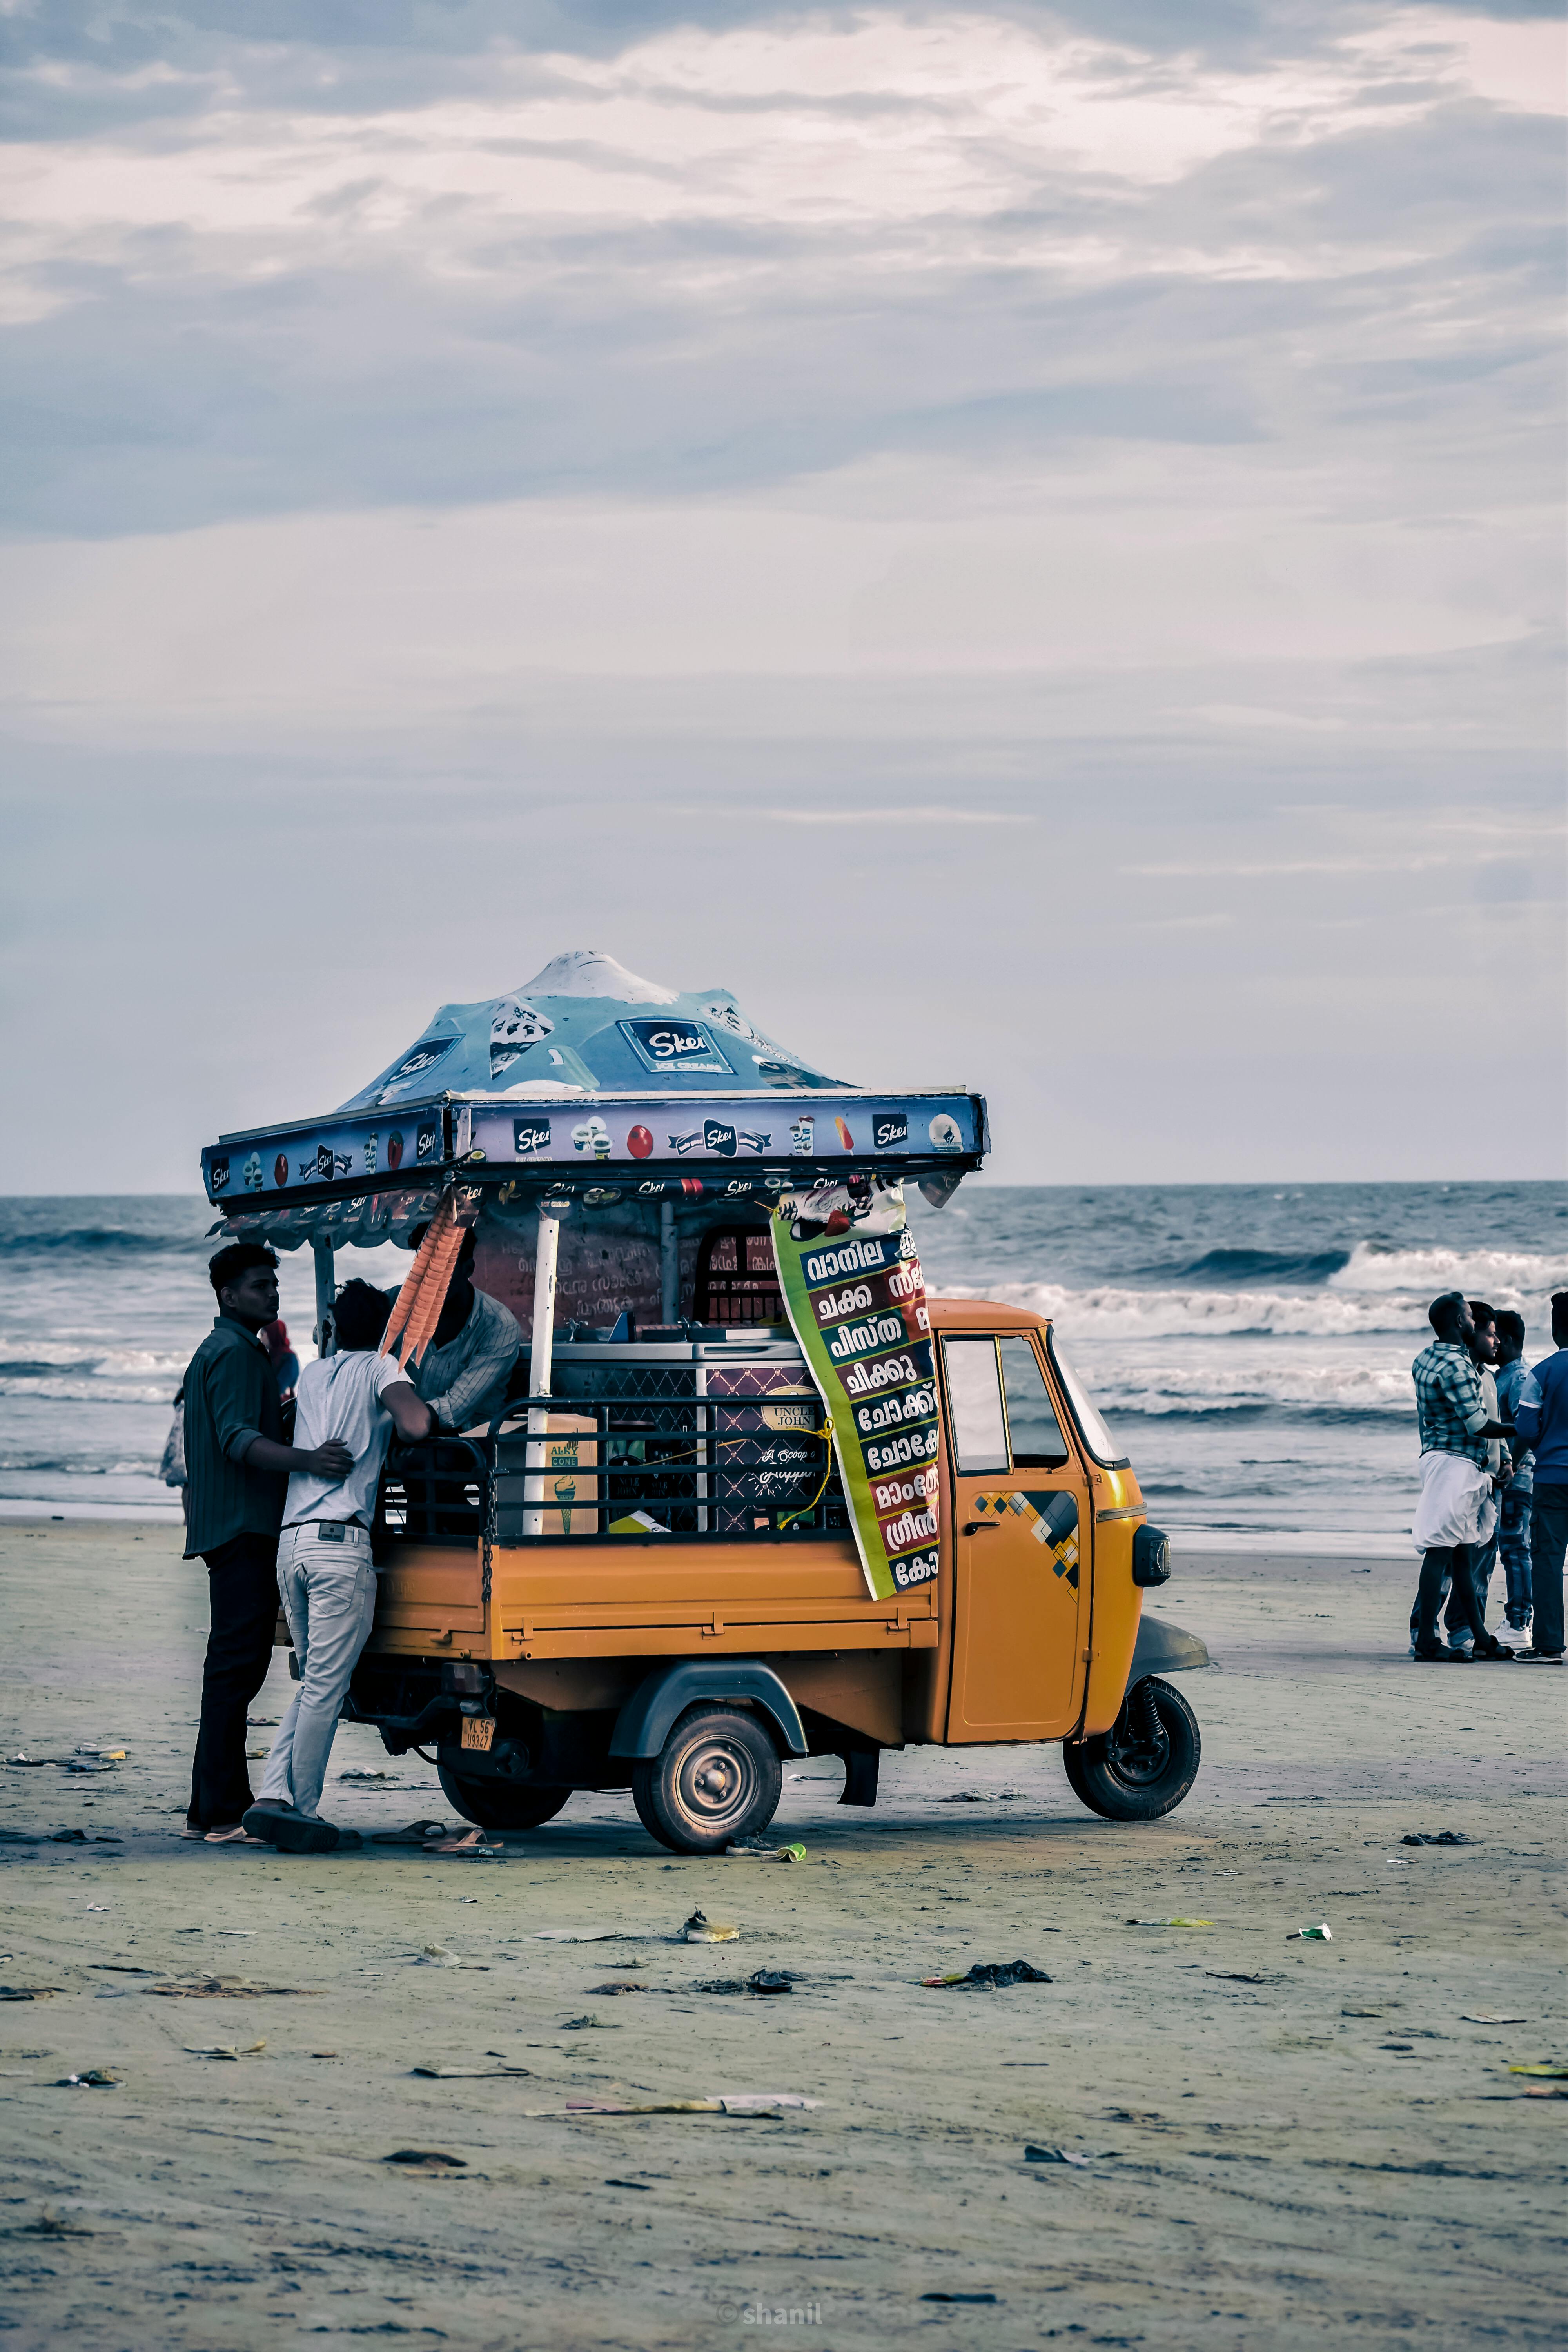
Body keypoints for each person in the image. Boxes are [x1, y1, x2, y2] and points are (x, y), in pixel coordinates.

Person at [244, 1280, 433, 1853]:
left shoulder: (315, 1374)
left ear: (333, 1329)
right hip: (338, 1547)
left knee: (312, 1685)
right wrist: (405, 1403)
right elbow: (417, 1425)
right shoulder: (380, 1367)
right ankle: (302, 1809)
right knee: (326, 1686)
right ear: (383, 1329)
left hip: (292, 1543)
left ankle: (274, 1796)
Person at [182, 1243, 354, 1844]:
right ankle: (223, 1812)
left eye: (274, 1287)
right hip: (242, 1527)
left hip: (233, 1526)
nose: (272, 1296)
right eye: (260, 1287)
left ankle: (209, 1809)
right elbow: (237, 1440)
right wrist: (310, 1458)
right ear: (229, 1295)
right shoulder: (231, 1352)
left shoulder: (236, 1350)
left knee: (232, 1672)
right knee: (235, 1672)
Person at [1408, 1291, 1515, 1662]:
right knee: (1442, 1552)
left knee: (1463, 1557)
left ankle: (1480, 1636)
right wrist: (1527, 1429)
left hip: (1444, 1460)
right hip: (1455, 1464)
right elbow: (1478, 1424)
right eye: (1470, 1317)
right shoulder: (1457, 1366)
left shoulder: (1425, 1358)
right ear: (1459, 1323)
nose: (1474, 1321)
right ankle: (1425, 1641)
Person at [401, 1223, 521, 1432]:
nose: (429, 1280)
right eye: (422, 1268)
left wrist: (406, 1424)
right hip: (402, 1436)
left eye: (441, 1270)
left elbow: (455, 1409)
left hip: (468, 1446)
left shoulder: (499, 1325)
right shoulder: (395, 1305)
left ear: (468, 1270)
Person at [1514, 1290, 1568, 1664]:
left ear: (1556, 1329)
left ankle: (1549, 1645)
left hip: (1552, 1478)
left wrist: (1513, 1463)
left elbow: (1527, 1429)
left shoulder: (1542, 1372)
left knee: (1548, 1560)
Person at [1494, 1310, 1534, 1633]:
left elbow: (1526, 1428)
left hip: (1518, 1475)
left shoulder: (1519, 1377)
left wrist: (1512, 1464)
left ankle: (1519, 1622)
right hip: (1510, 1472)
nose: (1491, 1342)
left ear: (1506, 1340)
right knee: (1510, 1548)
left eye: (1495, 1336)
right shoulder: (1503, 1375)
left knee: (1516, 1548)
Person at [160, 1385, 189, 1530]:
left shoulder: (180, 1408)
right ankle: (190, 1518)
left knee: (187, 1486)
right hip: (186, 1449)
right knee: (191, 1485)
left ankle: (187, 1517)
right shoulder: (188, 1409)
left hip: (177, 1450)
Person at [262, 1317, 300, 1409]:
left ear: (272, 1334)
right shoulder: (268, 1357)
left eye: (263, 1334)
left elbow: (280, 1386)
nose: (261, 1338)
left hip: (283, 1408)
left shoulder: (289, 1358)